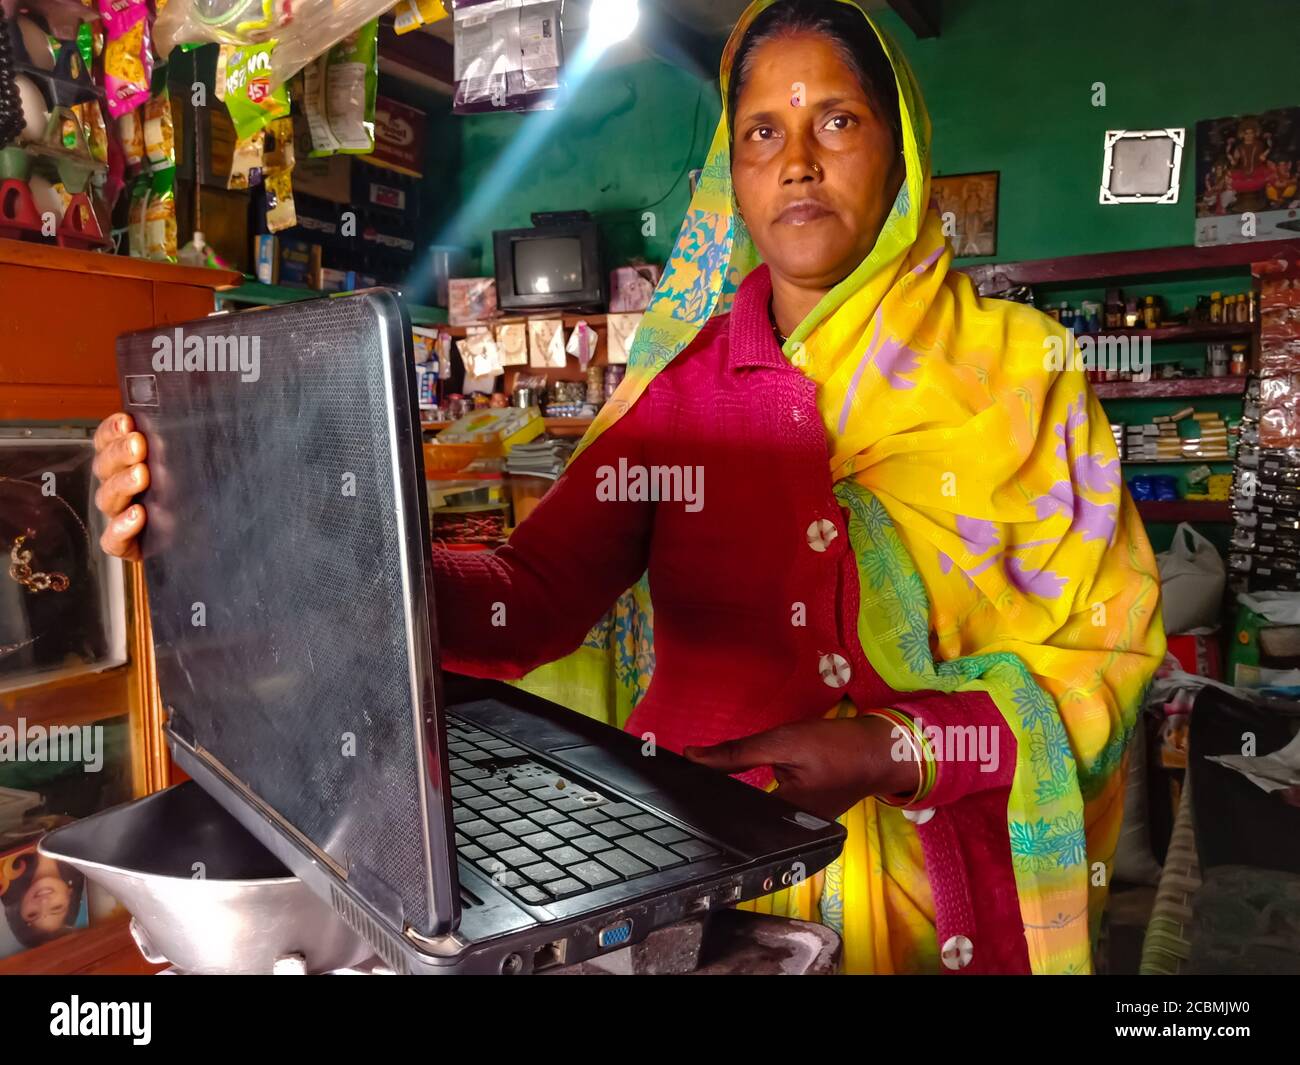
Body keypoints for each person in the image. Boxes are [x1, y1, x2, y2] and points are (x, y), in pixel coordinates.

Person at [92, 0, 1164, 974]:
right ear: (730, 170)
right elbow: (530, 595)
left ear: (900, 150)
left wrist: (896, 748)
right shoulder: (686, 396)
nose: (795, 162)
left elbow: (1105, 655)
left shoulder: (1021, 375)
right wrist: (254, 527)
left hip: (946, 897)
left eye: (835, 121)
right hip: (724, 893)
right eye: (760, 131)